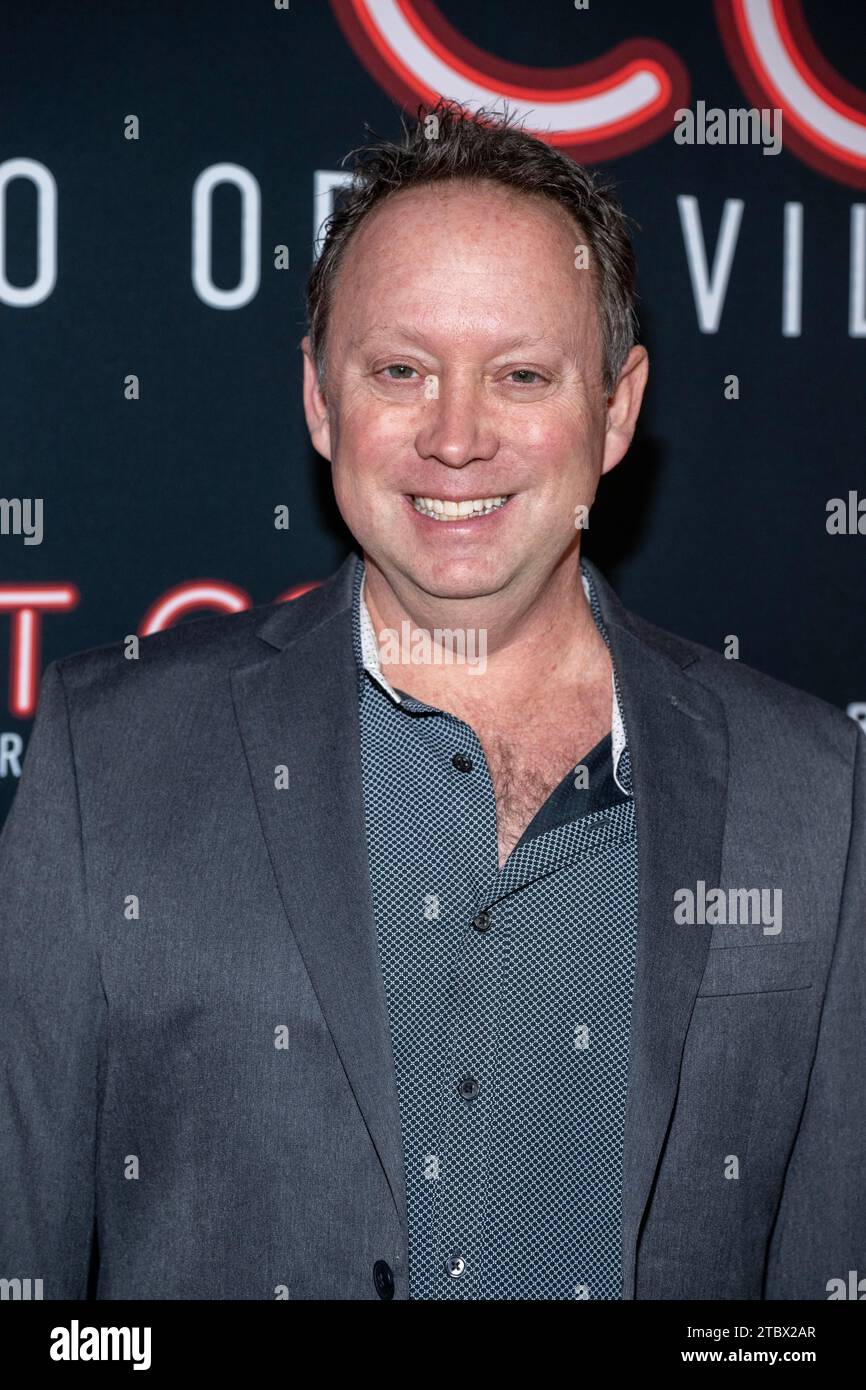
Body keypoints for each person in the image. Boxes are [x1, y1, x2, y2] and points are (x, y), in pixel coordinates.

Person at [1, 100, 863, 1301]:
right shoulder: (111, 759)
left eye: (519, 374)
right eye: (399, 370)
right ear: (318, 399)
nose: (454, 438)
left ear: (614, 409)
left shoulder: (812, 793)